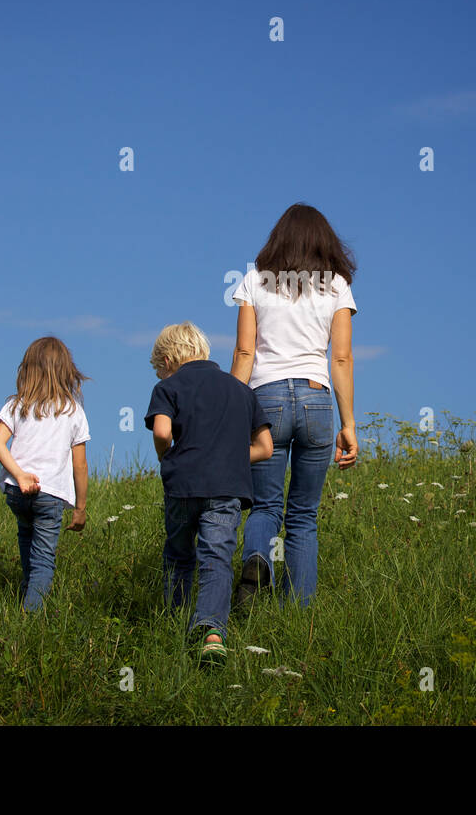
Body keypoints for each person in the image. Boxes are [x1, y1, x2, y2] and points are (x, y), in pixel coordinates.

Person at [230, 203, 358, 608]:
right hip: (316, 400)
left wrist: (230, 413)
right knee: (304, 515)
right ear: (325, 243)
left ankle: (256, 559)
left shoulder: (254, 280)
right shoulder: (336, 285)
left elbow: (244, 352)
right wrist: (349, 423)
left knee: (265, 504)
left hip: (265, 398)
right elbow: (340, 359)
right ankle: (297, 615)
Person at [145, 322, 272, 663]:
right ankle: (212, 634)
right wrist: (227, 454)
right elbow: (265, 447)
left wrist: (166, 454)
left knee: (178, 556)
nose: (161, 373)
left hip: (183, 485)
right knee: (216, 558)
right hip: (226, 488)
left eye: (160, 368)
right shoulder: (241, 391)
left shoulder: (169, 387)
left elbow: (161, 431)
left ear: (169, 359)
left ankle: (176, 622)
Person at [0, 337, 90, 612]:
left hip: (17, 491)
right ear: (66, 371)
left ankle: (26, 594)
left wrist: (20, 475)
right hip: (51, 493)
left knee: (26, 540)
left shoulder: (16, 404)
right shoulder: (73, 411)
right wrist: (80, 508)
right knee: (43, 558)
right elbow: (79, 465)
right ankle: (31, 620)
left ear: (28, 369)